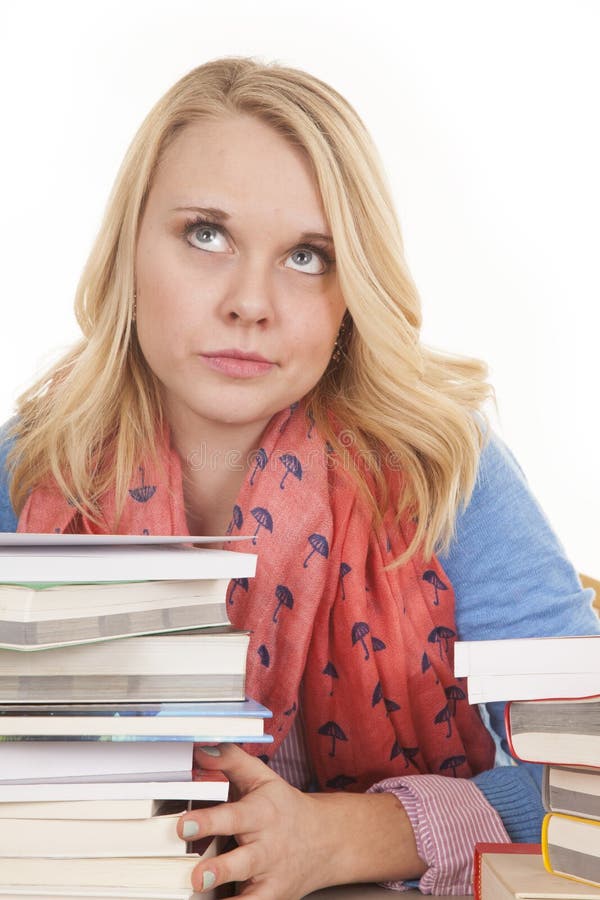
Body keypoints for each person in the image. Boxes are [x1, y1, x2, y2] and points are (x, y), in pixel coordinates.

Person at [0, 57, 598, 899]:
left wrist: (358, 835)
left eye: (307, 256)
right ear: (129, 248)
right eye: (206, 233)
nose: (251, 301)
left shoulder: (443, 470)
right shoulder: (35, 465)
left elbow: (590, 767)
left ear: (354, 288)